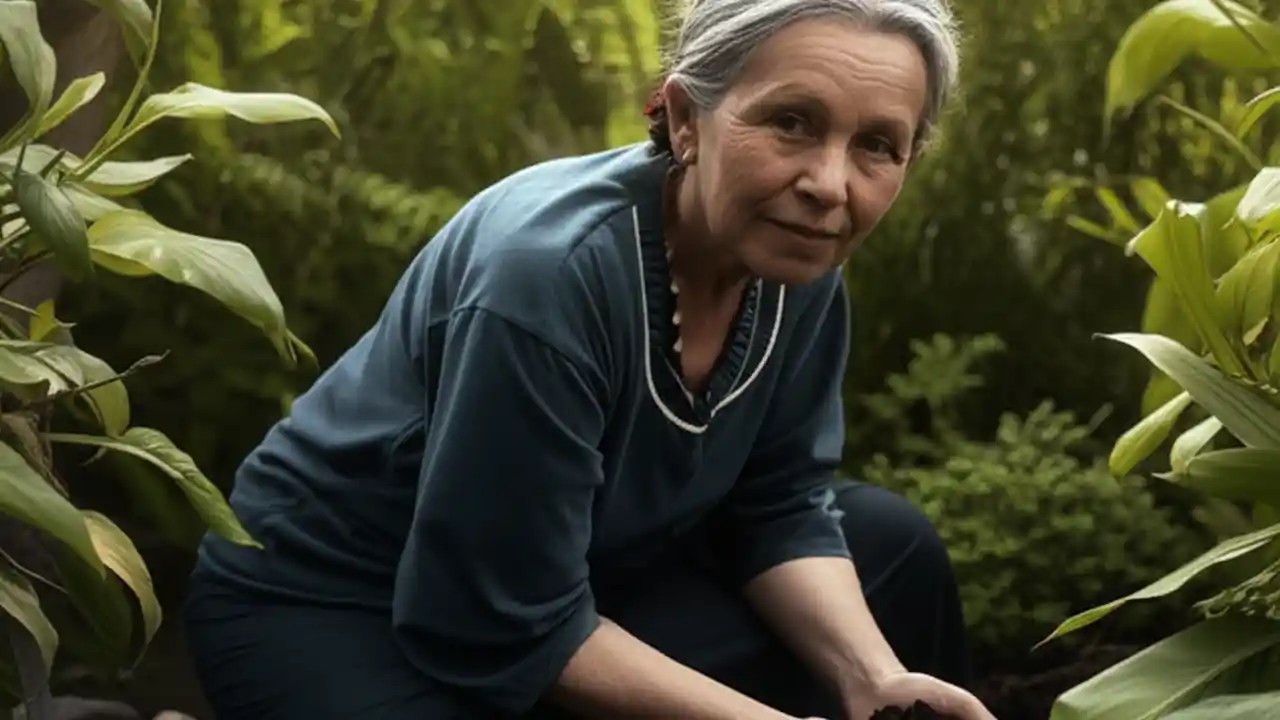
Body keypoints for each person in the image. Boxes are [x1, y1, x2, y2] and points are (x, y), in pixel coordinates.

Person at [183, 1, 996, 718]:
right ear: (685, 118)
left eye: (876, 147)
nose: (829, 183)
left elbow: (776, 506)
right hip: (345, 607)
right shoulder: (548, 275)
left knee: (890, 547)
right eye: (792, 122)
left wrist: (875, 678)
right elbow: (498, 620)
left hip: (591, 570)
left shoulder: (799, 258)